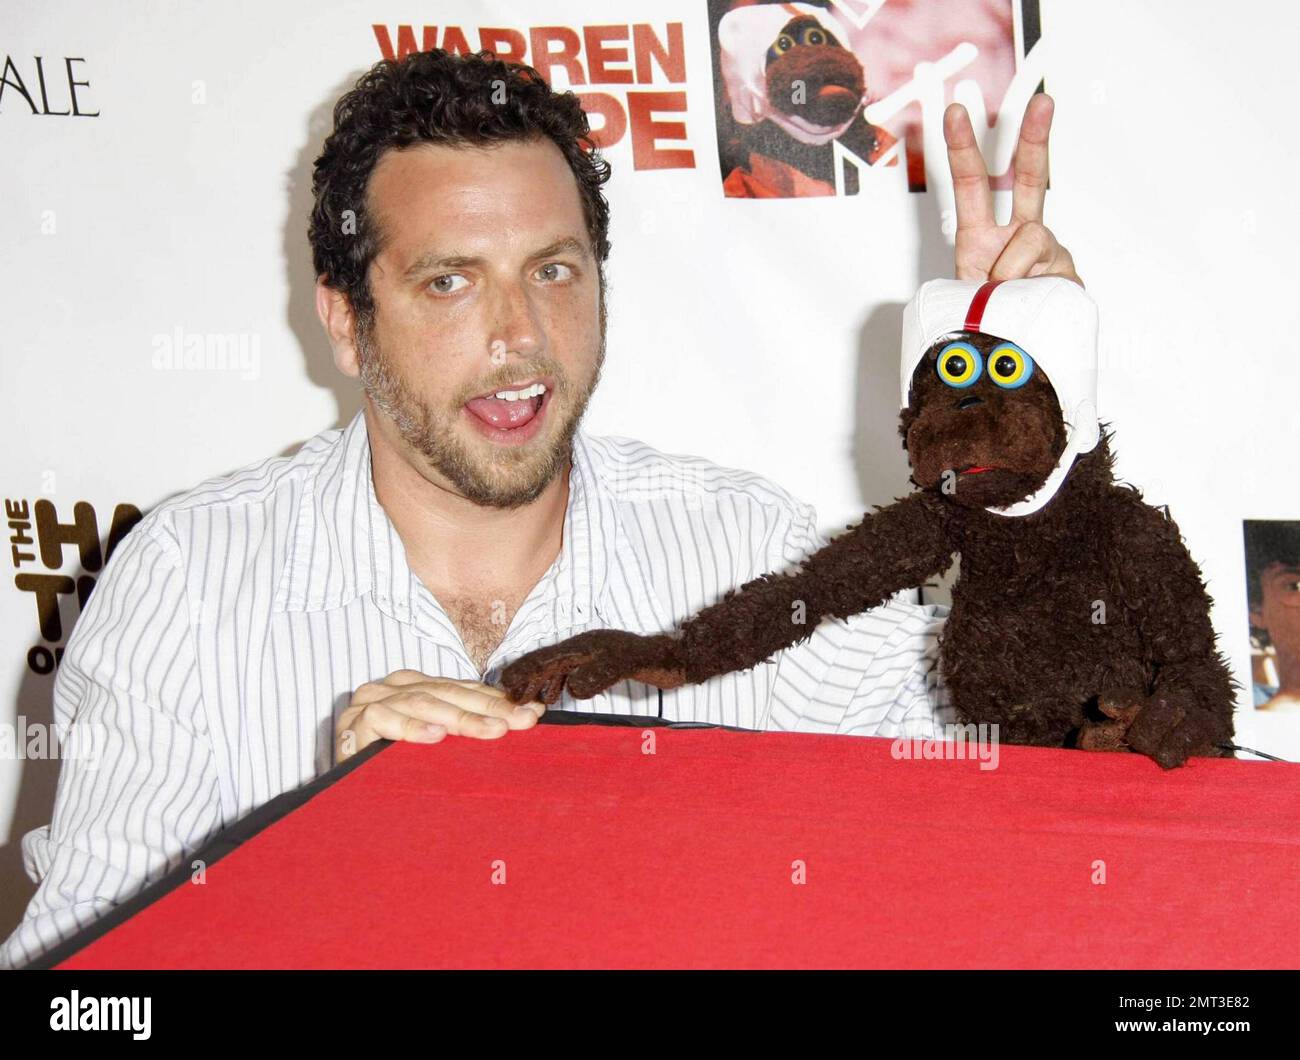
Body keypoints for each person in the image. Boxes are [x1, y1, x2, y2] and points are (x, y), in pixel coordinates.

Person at [0, 48, 1080, 968]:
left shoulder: (745, 551)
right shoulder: (187, 584)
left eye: (553, 270)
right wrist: (322, 863)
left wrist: (1027, 452)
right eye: (449, 282)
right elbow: (89, 1002)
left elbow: (1030, 789)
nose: (518, 334)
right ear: (345, 320)